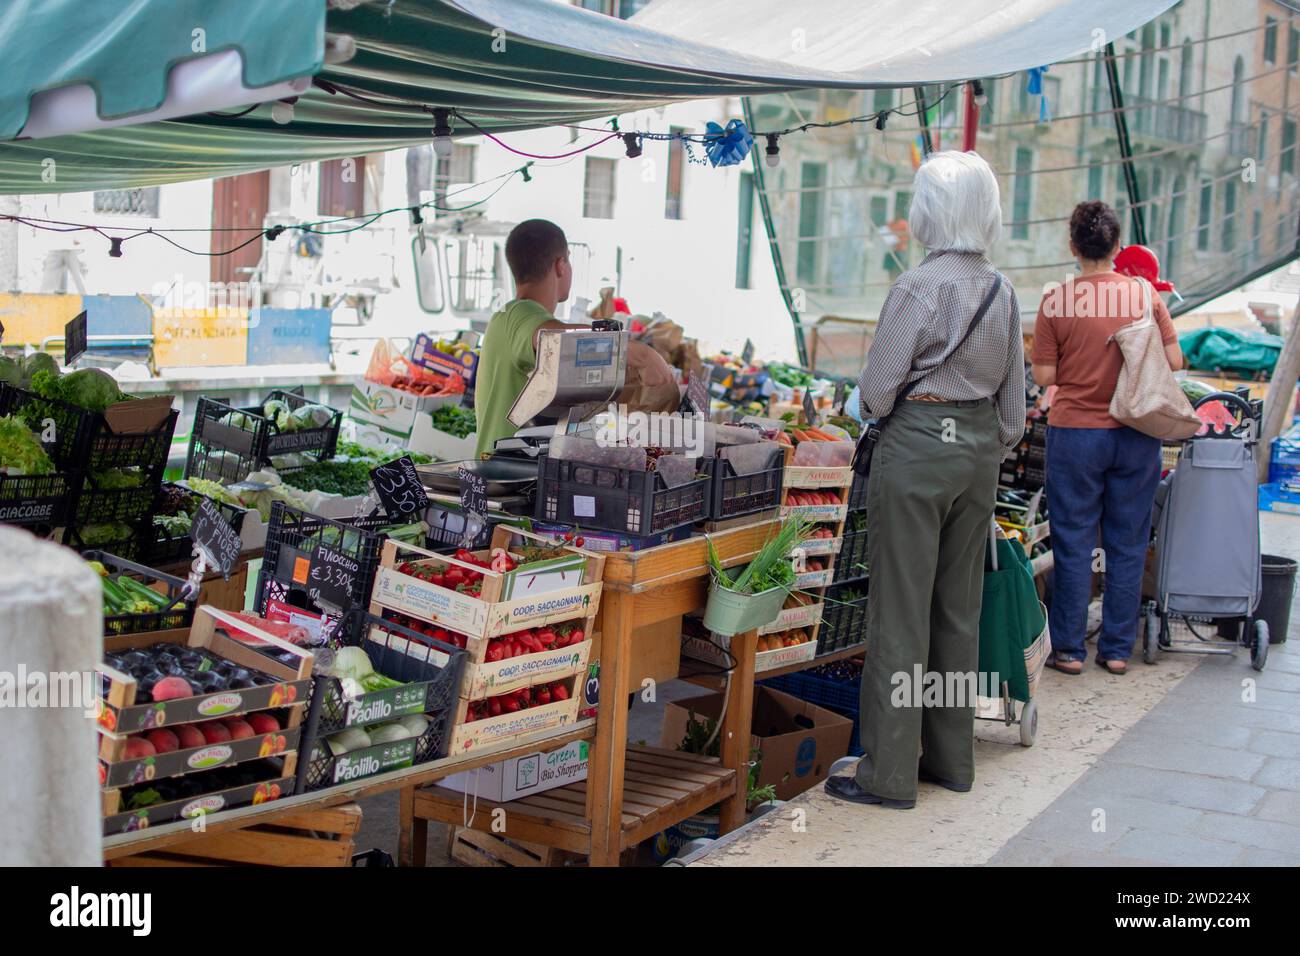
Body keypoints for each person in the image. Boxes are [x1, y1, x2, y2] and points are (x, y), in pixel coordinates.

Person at [825, 151, 1025, 810]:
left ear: (928, 211)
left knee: (900, 615)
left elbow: (878, 393)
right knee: (956, 613)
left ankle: (887, 774)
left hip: (916, 448)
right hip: (977, 456)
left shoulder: (916, 287)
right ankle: (951, 760)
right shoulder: (1003, 290)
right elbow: (1015, 414)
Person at [1031, 201, 1184, 676]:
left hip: (1076, 433)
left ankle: (1070, 652)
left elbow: (1044, 374)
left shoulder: (1056, 300)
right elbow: (1175, 362)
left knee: (1074, 541)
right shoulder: (1144, 295)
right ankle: (1117, 650)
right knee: (1128, 540)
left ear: (1073, 246)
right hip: (1137, 432)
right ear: (1118, 245)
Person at [474, 219, 674, 457]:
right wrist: (643, 355)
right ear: (561, 265)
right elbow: (555, 337)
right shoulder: (519, 313)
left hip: (513, 473)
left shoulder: (510, 317)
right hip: (504, 476)